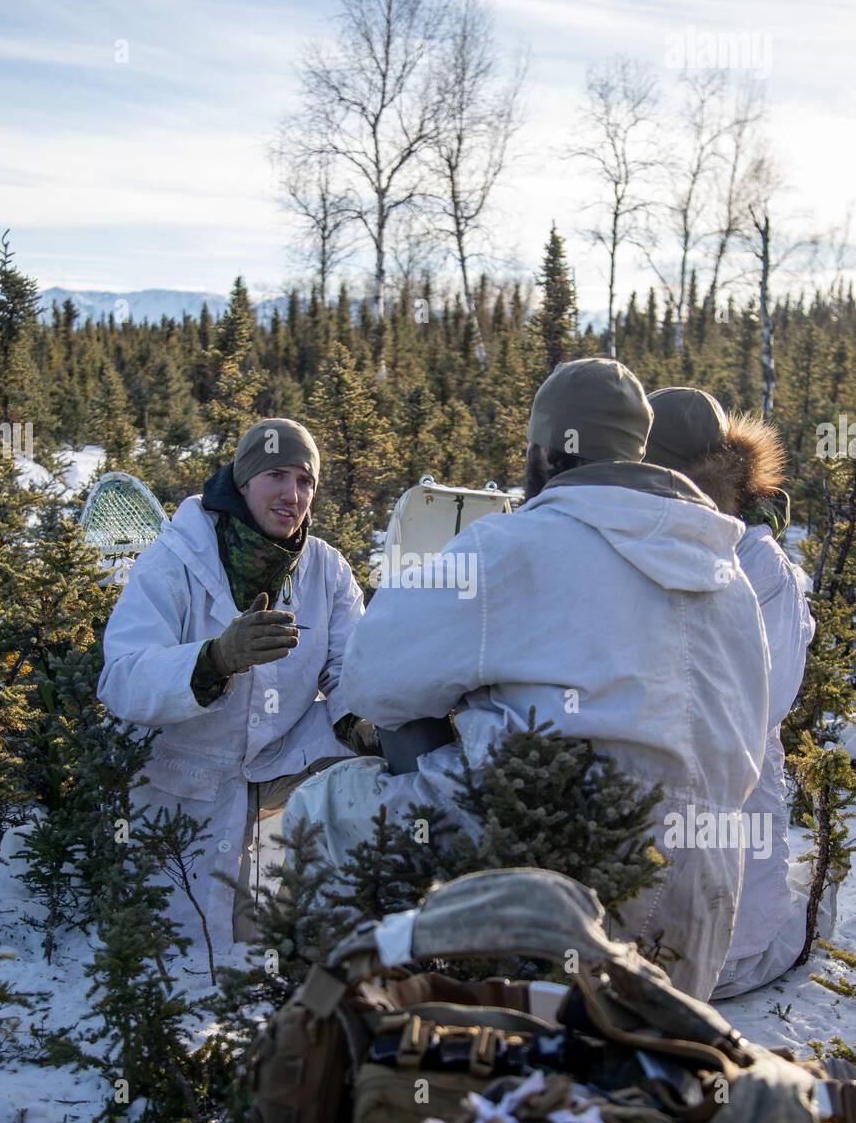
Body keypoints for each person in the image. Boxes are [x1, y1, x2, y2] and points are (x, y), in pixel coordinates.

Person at [284, 359, 770, 1001]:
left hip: (559, 877)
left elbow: (372, 682)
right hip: (701, 902)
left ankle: (334, 1026)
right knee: (625, 1077)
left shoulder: (513, 544)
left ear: (544, 453)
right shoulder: (731, 578)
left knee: (320, 808)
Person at [97, 418, 373, 957]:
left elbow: (348, 665)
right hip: (183, 771)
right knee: (185, 942)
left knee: (373, 759)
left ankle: (339, 917)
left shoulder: (325, 569)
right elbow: (122, 677)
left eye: (305, 480)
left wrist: (355, 718)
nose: (292, 495)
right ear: (242, 481)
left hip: (274, 759)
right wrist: (214, 660)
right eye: (276, 475)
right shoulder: (174, 561)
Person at [644, 387, 829, 998]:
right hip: (701, 820)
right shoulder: (747, 555)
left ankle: (795, 925)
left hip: (728, 807)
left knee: (728, 957)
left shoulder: (756, 564)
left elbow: (756, 709)